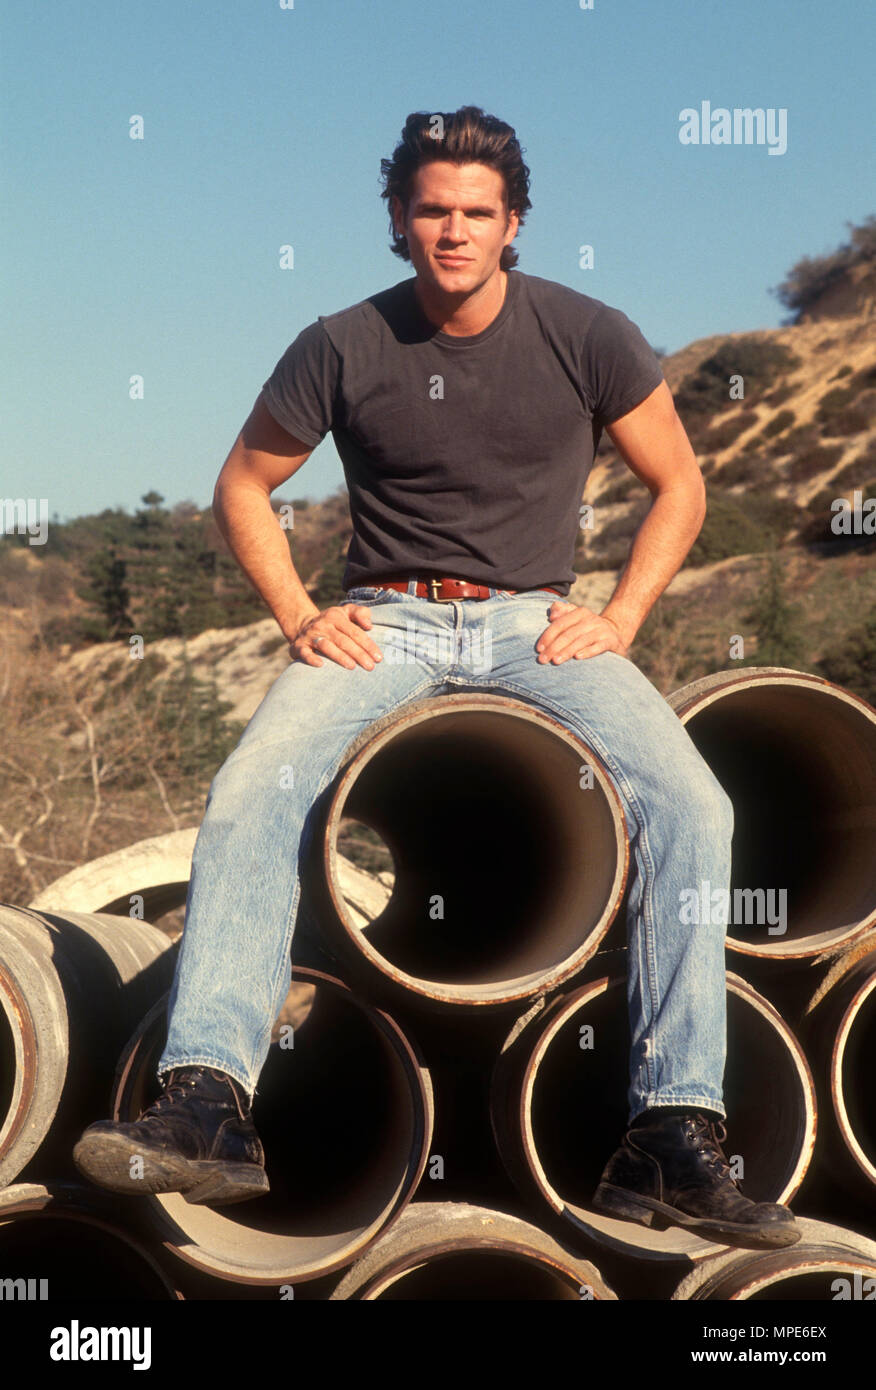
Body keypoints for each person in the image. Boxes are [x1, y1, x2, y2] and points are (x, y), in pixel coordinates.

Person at [74, 106, 799, 1250]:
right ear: (399, 223)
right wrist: (302, 614)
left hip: (533, 621)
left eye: (476, 213)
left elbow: (682, 485)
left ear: (513, 224)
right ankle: (210, 1103)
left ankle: (670, 1133)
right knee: (252, 786)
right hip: (384, 618)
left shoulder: (590, 332)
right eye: (431, 211)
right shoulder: (340, 342)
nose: (453, 231)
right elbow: (242, 484)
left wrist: (617, 614)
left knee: (693, 801)